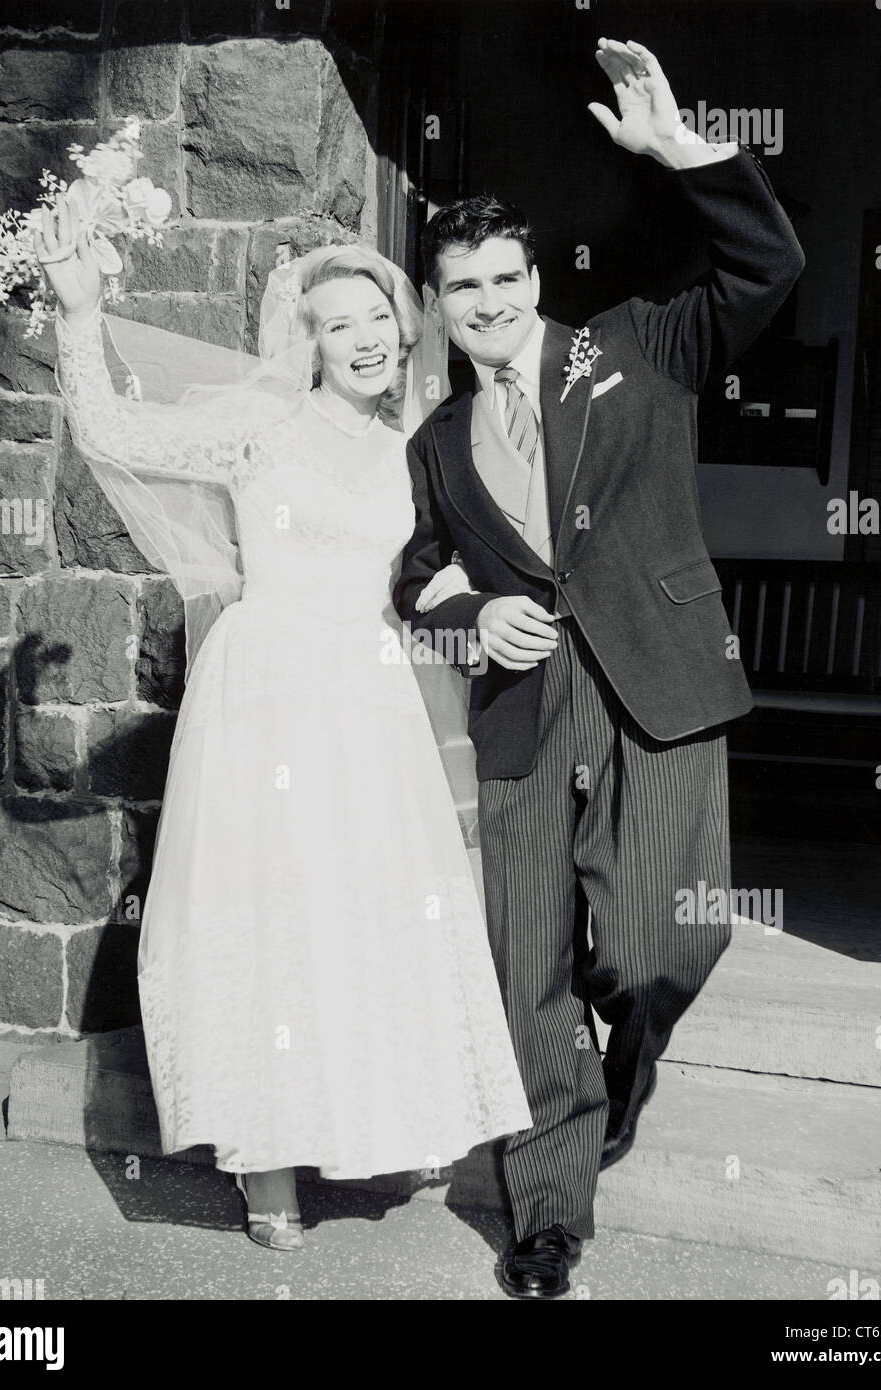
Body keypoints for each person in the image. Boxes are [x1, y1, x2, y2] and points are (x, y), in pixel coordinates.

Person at [35, 203, 532, 1253]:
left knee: (363, 910)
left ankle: (368, 1117)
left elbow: (434, 567)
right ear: (298, 341)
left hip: (370, 692)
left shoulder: (415, 446)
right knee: (266, 917)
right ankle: (266, 1170)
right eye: (332, 322)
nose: (359, 337)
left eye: (375, 317)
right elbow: (116, 435)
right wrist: (80, 318)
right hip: (265, 693)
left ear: (405, 329)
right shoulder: (259, 426)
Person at [394, 37, 805, 1297]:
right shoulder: (438, 439)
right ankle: (548, 1217)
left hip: (661, 686)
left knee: (654, 953)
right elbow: (412, 573)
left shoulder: (630, 349)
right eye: (462, 288)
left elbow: (766, 267)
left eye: (505, 277)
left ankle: (615, 1081)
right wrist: (468, 615)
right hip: (525, 708)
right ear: (436, 304)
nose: (489, 303)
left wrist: (684, 154)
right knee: (527, 964)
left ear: (533, 278)